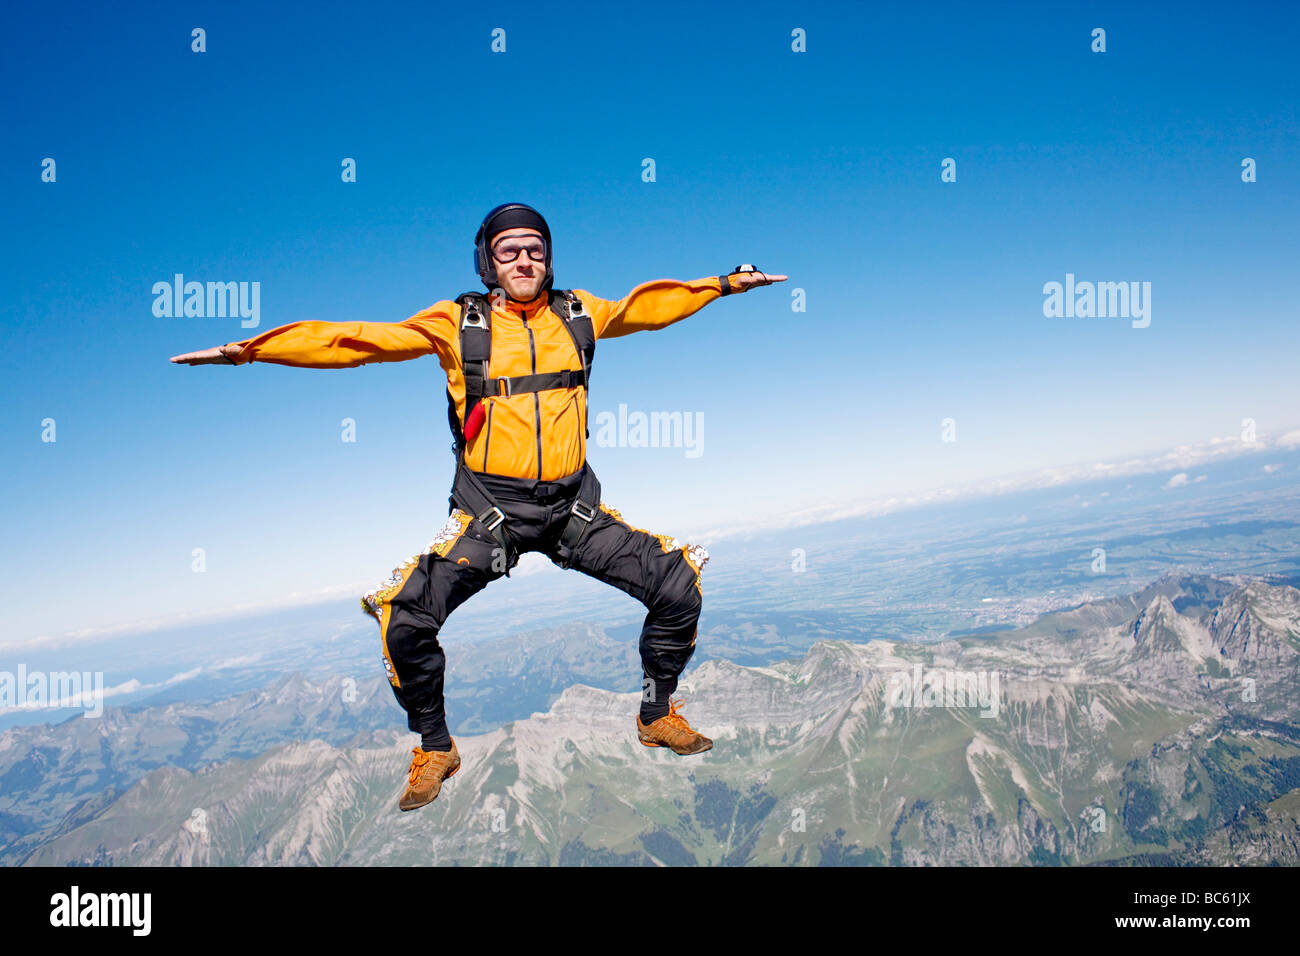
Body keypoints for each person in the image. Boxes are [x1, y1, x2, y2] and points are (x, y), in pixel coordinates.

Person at [170, 202, 786, 811]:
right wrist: (248, 349)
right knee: (405, 617)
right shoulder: (458, 323)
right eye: (508, 251)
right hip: (493, 516)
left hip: (572, 511)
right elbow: (355, 341)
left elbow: (648, 306)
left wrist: (724, 284)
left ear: (549, 259)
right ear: (488, 264)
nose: (524, 260)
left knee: (678, 587)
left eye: (535, 250)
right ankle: (436, 747)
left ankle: (655, 713)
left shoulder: (578, 314)